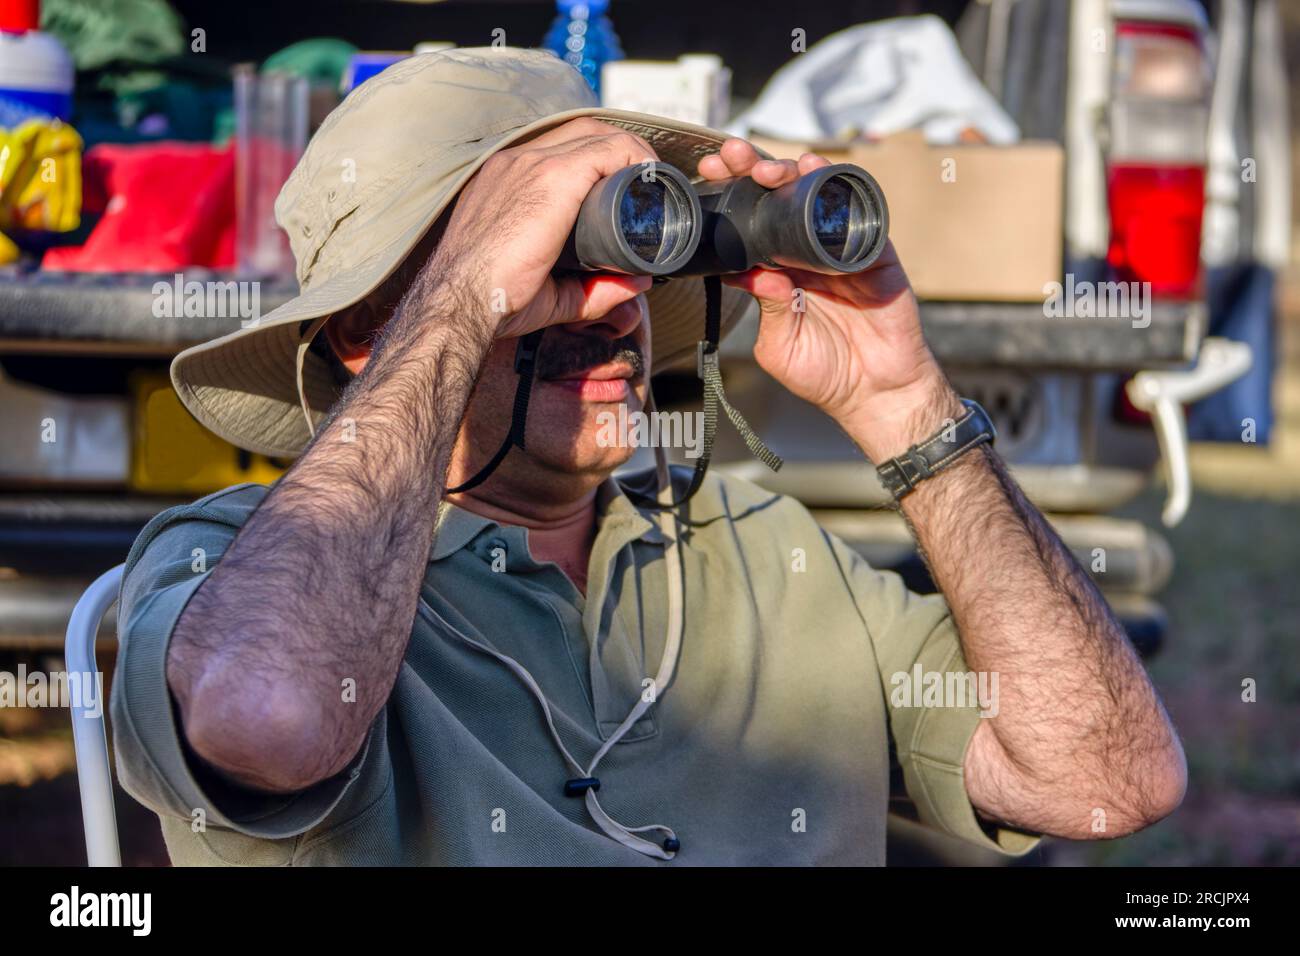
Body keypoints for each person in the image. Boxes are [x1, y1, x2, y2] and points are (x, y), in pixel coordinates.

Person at [110, 48, 1185, 865]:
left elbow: (1108, 774)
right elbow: (267, 718)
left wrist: (910, 409)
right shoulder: (235, 576)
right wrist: (466, 289)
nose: (619, 304)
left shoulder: (759, 546)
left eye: (630, 246)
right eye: (556, 258)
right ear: (366, 332)